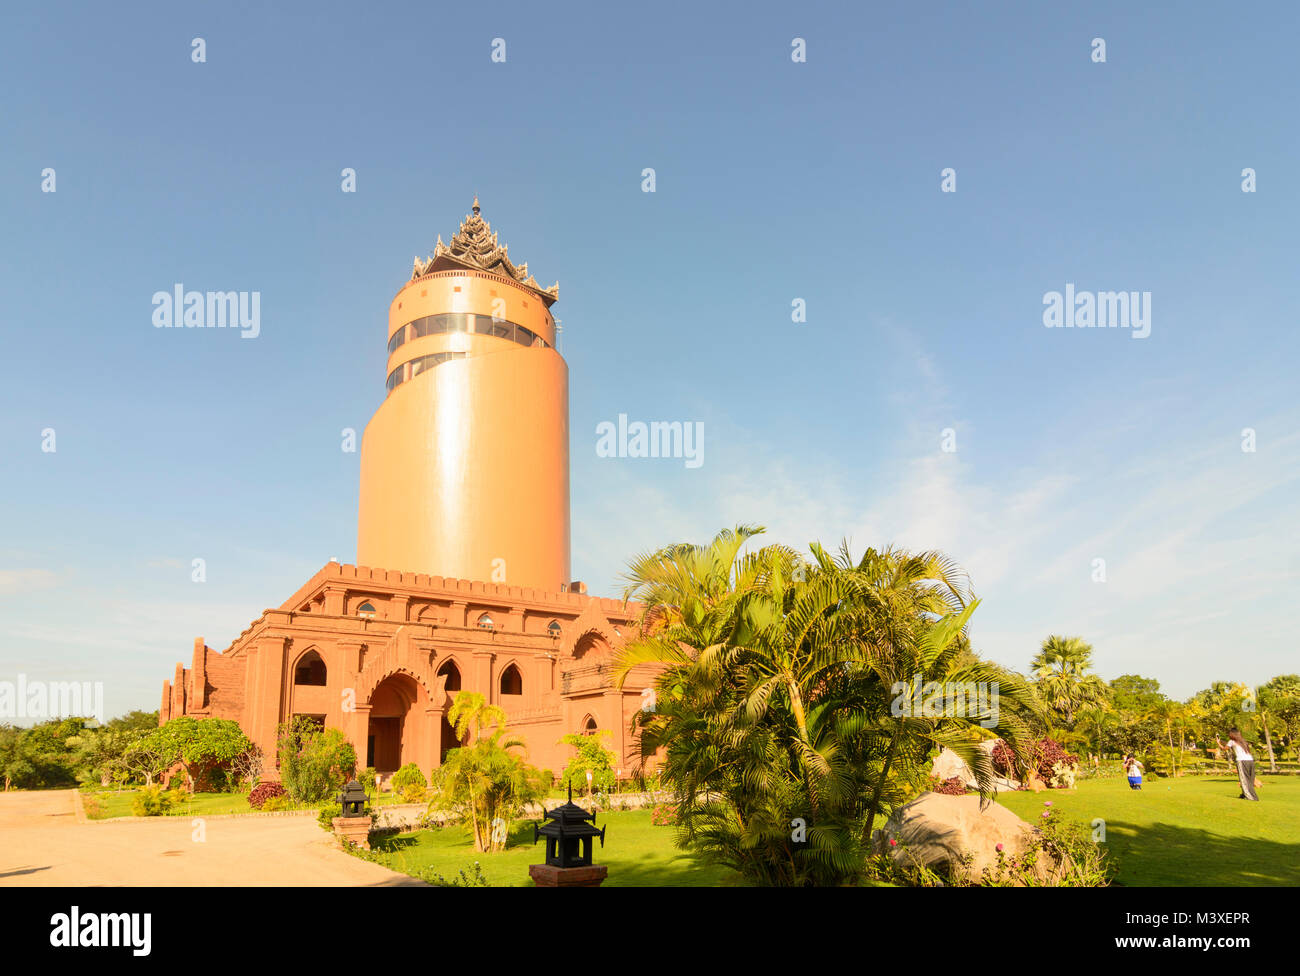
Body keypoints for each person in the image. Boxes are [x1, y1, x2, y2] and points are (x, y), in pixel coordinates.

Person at [1216, 730, 1259, 801]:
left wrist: (1218, 743)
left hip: (1242, 761)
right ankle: (1244, 794)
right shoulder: (1243, 741)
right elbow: (1230, 745)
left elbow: (1224, 748)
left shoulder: (1232, 741)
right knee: (1249, 779)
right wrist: (1222, 742)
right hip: (1250, 760)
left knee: (1244, 779)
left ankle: (1251, 797)